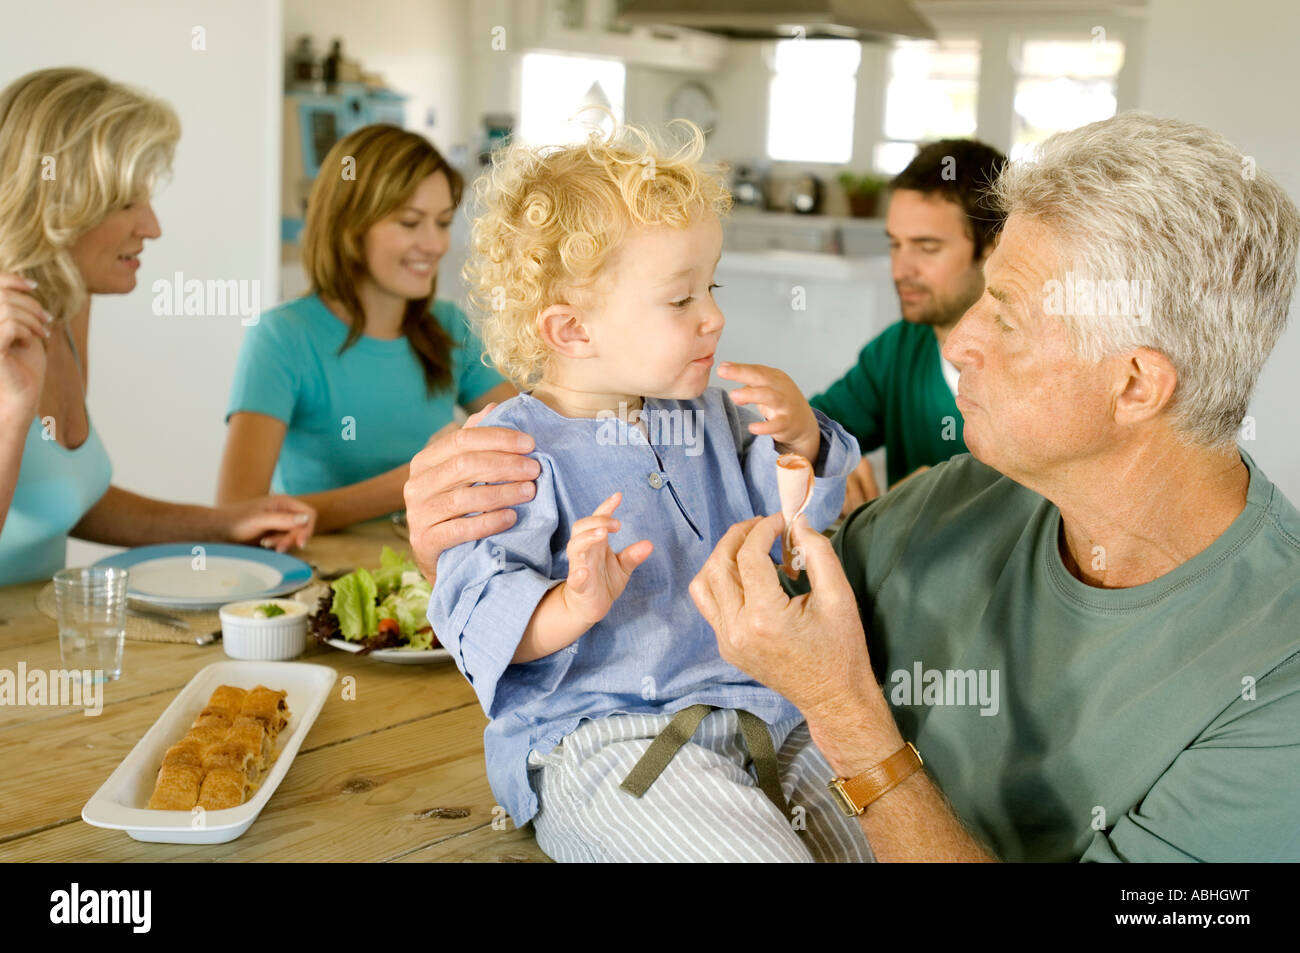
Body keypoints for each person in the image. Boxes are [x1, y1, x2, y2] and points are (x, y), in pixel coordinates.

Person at [688, 113, 1300, 862]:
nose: (963, 340)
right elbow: (758, 604)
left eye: (1006, 317)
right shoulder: (963, 491)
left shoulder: (1279, 681)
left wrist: (846, 714)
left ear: (1135, 383)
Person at [427, 120, 872, 862]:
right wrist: (567, 604)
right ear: (571, 330)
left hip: (763, 713)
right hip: (605, 737)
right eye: (679, 300)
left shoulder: (714, 416)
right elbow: (472, 611)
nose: (714, 316)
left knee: (890, 834)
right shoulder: (504, 448)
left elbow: (793, 533)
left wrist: (801, 442)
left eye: (712, 285)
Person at [0, 68, 315, 587]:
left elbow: (65, 499)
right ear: (57, 205)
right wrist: (13, 412)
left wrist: (227, 523)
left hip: (36, 647)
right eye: (126, 203)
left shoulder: (67, 308)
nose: (152, 227)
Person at [217, 124, 514, 532]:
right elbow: (238, 513)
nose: (434, 244)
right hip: (326, 580)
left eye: (443, 222)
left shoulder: (447, 325)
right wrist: (418, 478)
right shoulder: (282, 337)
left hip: (429, 573)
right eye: (410, 223)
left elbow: (527, 431)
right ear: (350, 228)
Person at [811, 140, 1007, 512]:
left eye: (927, 247)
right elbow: (810, 428)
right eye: (895, 245)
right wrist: (823, 453)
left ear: (994, 249)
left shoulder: (1048, 365)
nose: (901, 270)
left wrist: (945, 496)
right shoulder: (898, 350)